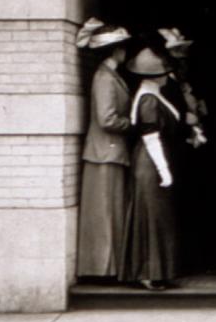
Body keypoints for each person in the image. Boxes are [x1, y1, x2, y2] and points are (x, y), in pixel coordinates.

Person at [119, 42, 181, 290]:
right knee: (151, 215)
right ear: (155, 76)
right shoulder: (148, 100)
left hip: (150, 160)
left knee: (154, 215)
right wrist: (163, 169)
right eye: (164, 73)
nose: (167, 76)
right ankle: (148, 272)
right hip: (150, 161)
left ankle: (153, 270)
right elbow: (151, 137)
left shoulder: (150, 95)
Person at [75, 18, 132, 279]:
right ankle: (103, 268)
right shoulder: (105, 78)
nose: (124, 51)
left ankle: (109, 266)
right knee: (106, 212)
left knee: (109, 211)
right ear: (115, 50)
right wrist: (131, 123)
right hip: (105, 152)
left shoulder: (109, 76)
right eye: (122, 47)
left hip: (109, 152)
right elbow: (107, 119)